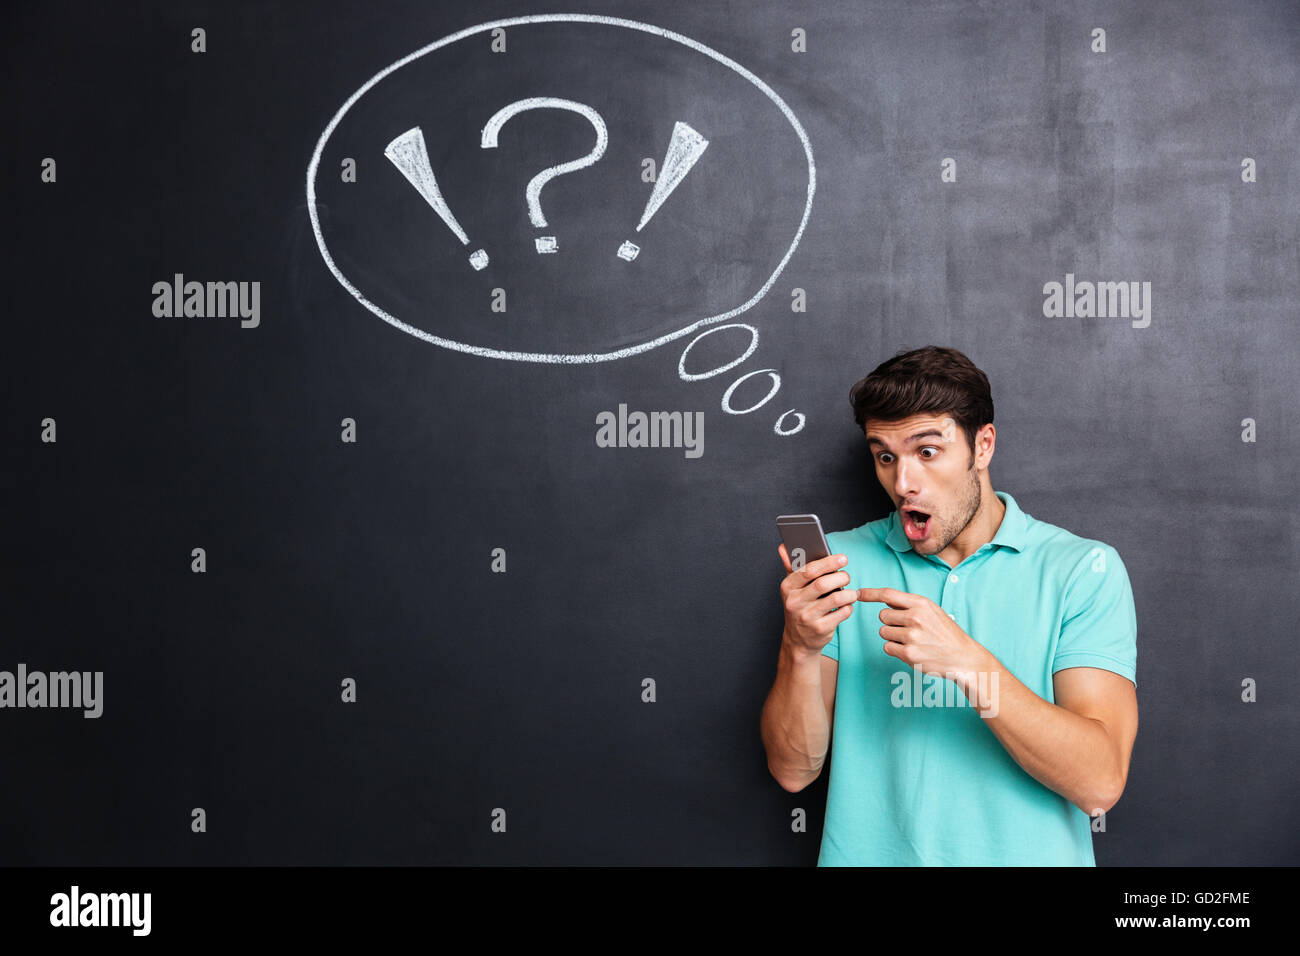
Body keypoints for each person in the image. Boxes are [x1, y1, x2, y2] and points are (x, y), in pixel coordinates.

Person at [760, 345, 1138, 865]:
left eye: (928, 452)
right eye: (884, 456)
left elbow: (1099, 783)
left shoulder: (1083, 571)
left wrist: (966, 662)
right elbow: (793, 770)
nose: (903, 483)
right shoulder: (840, 569)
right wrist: (799, 648)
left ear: (982, 446)